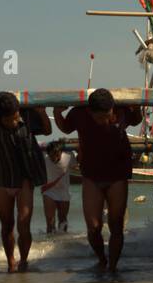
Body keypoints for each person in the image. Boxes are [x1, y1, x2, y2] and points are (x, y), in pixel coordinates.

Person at [54, 89, 143, 272]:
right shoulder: (79, 113)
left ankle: (112, 266)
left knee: (116, 224)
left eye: (108, 116)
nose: (105, 121)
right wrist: (56, 112)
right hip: (91, 174)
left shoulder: (122, 110)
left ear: (113, 109)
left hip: (118, 173)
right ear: (90, 111)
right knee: (93, 227)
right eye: (100, 117)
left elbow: (137, 119)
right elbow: (65, 127)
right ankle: (102, 259)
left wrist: (137, 107)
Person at [0, 92, 51, 272]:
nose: (13, 123)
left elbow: (47, 129)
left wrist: (42, 112)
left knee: (24, 222)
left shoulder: (27, 116)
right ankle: (10, 261)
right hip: (3, 178)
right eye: (9, 120)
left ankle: (24, 260)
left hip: (24, 178)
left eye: (15, 118)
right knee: (7, 225)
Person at [41, 140, 74, 233]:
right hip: (49, 191)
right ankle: (50, 242)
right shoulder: (44, 156)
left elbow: (79, 162)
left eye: (57, 155)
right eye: (51, 156)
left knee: (63, 220)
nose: (54, 158)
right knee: (50, 222)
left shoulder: (69, 156)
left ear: (61, 152)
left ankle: (62, 242)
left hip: (64, 192)